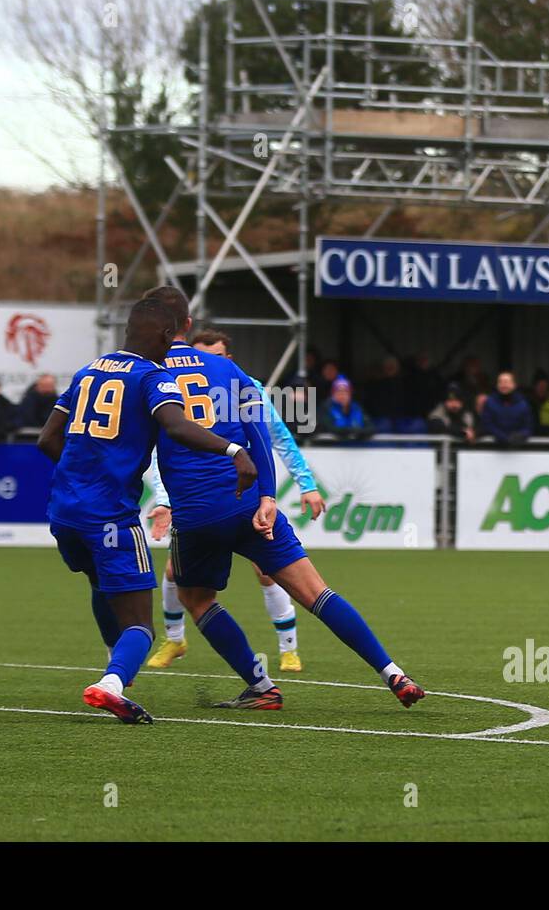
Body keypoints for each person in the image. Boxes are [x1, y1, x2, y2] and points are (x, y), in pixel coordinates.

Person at [139, 286, 424, 710]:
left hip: (198, 509)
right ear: (188, 325)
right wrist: (268, 496)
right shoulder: (230, 370)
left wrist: (151, 500)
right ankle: (393, 673)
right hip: (251, 502)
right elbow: (260, 435)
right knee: (317, 593)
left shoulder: (146, 372)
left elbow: (136, 446)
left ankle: (261, 686)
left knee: (195, 599)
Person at [37, 296, 259, 724]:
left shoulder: (88, 371)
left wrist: (82, 476)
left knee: (101, 581)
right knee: (142, 625)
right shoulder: (152, 376)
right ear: (162, 334)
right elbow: (176, 425)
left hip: (64, 512)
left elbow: (46, 440)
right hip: (110, 517)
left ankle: (114, 660)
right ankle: (112, 682)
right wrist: (233, 449)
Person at [145, 327, 326, 673]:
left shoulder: (248, 388)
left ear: (228, 359)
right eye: (201, 355)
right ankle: (175, 639)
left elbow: (279, 439)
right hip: (201, 502)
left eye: (215, 357)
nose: (204, 363)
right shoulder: (170, 393)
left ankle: (288, 649)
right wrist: (165, 501)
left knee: (267, 570)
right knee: (173, 572)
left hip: (245, 498)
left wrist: (307, 484)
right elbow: (159, 452)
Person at [480, 371, 533, 447]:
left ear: (514, 385)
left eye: (507, 382)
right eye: (500, 382)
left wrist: (520, 435)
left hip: (518, 448)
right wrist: (502, 436)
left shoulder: (523, 404)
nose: (503, 385)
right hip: (494, 447)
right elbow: (487, 424)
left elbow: (528, 427)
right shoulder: (490, 402)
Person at [319, 376, 373, 440]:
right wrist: (352, 431)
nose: (342, 395)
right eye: (338, 392)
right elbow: (329, 428)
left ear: (350, 394)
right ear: (333, 394)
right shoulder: (326, 407)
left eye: (345, 392)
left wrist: (359, 433)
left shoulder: (357, 408)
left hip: (357, 445)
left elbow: (370, 428)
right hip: (332, 446)